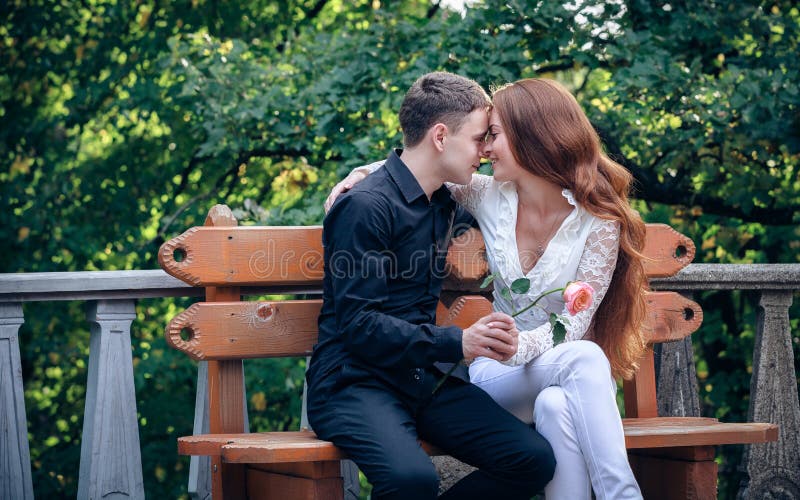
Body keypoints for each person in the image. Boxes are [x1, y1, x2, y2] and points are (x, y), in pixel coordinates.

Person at [327, 78, 648, 499]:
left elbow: (574, 323)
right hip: (457, 373)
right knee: (584, 361)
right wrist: (361, 174)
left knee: (550, 419)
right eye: (483, 137)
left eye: (493, 136)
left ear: (534, 139)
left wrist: (517, 346)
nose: (485, 149)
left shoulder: (595, 220)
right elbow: (415, 167)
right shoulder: (483, 194)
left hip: (526, 365)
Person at [305, 72, 556, 500]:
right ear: (441, 136)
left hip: (422, 380)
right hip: (353, 383)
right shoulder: (365, 207)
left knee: (532, 459)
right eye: (479, 138)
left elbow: (530, 193)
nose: (485, 150)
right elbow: (360, 325)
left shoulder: (446, 199)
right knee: (412, 480)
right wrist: (457, 342)